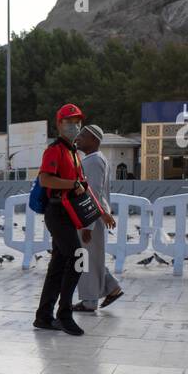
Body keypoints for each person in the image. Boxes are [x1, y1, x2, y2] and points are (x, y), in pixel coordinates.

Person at [34, 103, 90, 336]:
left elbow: (83, 186)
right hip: (57, 212)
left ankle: (44, 316)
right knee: (79, 257)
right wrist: (72, 185)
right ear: (59, 124)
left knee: (58, 265)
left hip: (69, 212)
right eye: (69, 122)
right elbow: (46, 179)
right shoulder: (55, 150)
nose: (74, 126)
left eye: (77, 122)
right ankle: (64, 314)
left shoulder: (74, 153)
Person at [70, 125, 122, 313]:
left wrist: (88, 225)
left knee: (86, 259)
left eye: (83, 136)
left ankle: (90, 301)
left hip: (90, 218)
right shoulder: (97, 159)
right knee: (91, 258)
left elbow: (92, 194)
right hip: (94, 216)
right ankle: (112, 287)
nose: (78, 138)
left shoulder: (93, 162)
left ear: (94, 140)